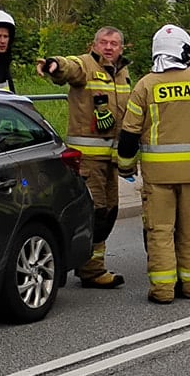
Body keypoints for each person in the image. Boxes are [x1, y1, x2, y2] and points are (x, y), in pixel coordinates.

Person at [117, 25, 190, 304]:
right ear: (184, 49)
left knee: (160, 232)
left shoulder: (145, 85)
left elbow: (129, 134)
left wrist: (126, 168)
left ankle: (163, 290)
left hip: (158, 176)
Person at [38, 27, 132, 288]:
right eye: (104, 42)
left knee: (109, 212)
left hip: (111, 160)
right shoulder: (86, 66)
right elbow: (69, 67)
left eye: (114, 43)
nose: (109, 47)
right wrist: (54, 64)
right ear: (95, 44)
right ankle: (90, 269)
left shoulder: (122, 73)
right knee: (95, 211)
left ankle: (91, 265)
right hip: (87, 160)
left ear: (121, 48)